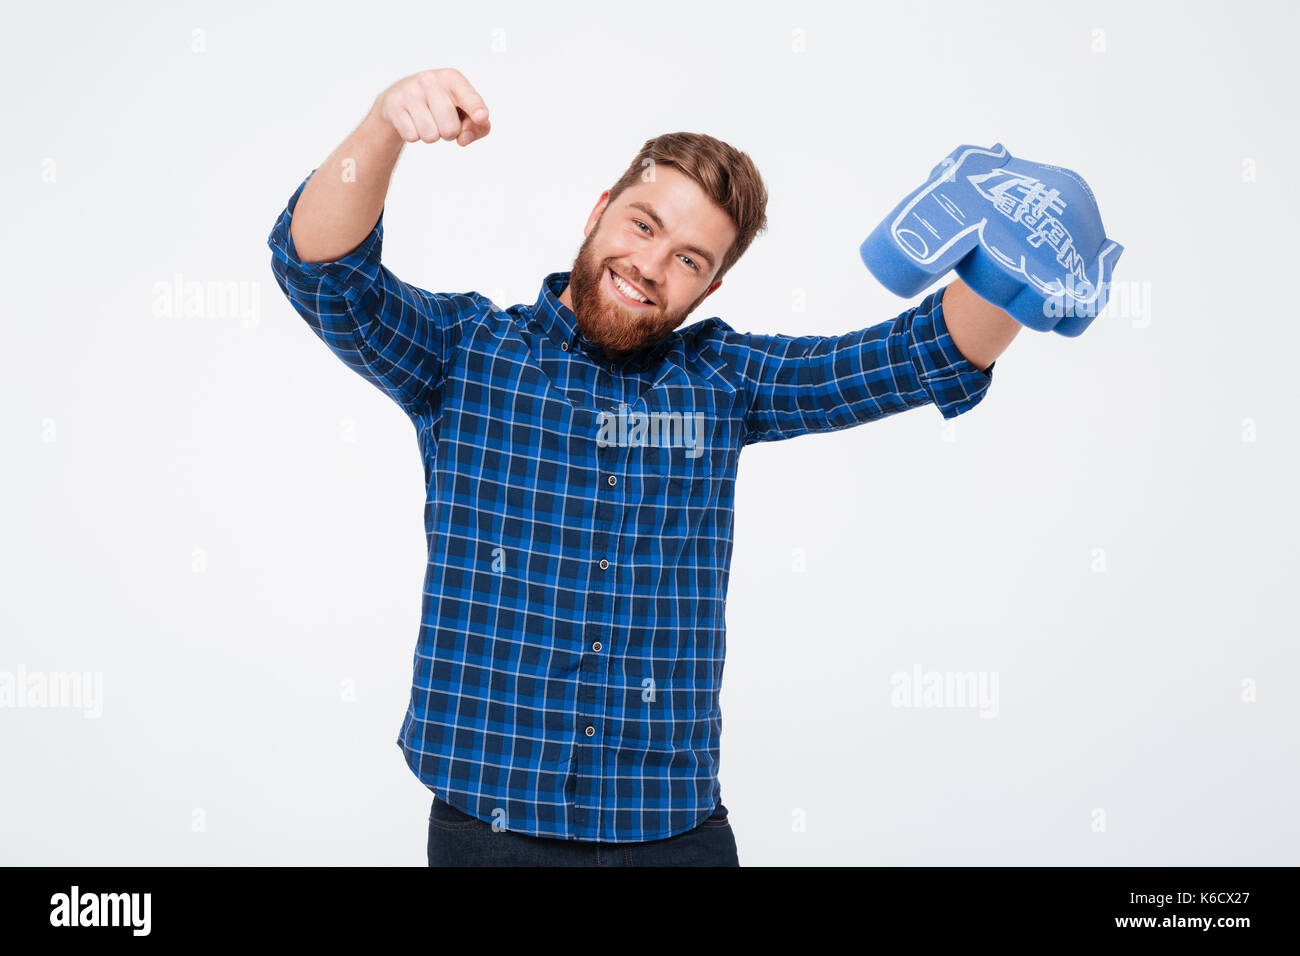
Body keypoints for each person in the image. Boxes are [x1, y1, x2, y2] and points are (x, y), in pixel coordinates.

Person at [266, 68, 1021, 867]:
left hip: (671, 831)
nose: (652, 264)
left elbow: (916, 356)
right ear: (599, 212)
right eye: (642, 225)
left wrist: (1018, 261)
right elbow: (323, 274)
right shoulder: (467, 354)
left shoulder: (724, 381)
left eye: (690, 258)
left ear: (712, 285)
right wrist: (386, 123)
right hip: (486, 827)